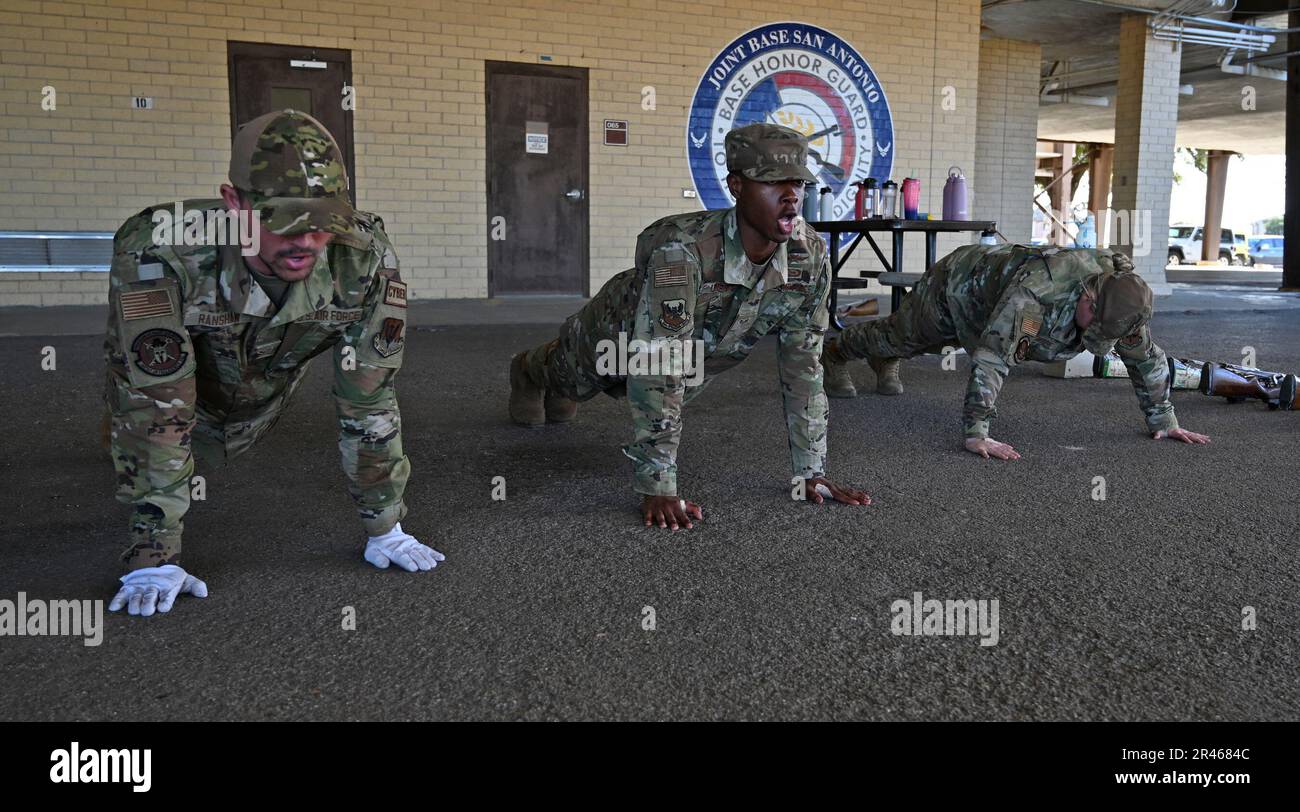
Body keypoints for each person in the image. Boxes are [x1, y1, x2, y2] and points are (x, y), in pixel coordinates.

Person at [103, 110, 442, 617]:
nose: (305, 242)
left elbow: (368, 399)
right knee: (141, 425)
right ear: (234, 203)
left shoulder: (364, 258)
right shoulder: (162, 251)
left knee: (218, 445)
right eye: (283, 222)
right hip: (172, 390)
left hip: (263, 390)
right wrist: (155, 555)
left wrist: (386, 527)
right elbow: (157, 404)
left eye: (324, 223)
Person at [508, 122, 870, 530]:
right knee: (573, 378)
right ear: (736, 186)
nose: (790, 197)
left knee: (674, 385)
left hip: (699, 352)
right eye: (772, 184)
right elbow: (659, 359)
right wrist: (659, 485)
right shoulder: (684, 251)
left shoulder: (811, 255)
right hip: (618, 329)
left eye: (798, 184)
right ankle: (528, 369)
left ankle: (559, 386)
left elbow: (805, 364)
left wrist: (811, 471)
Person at [821, 244, 1211, 459]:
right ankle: (836, 353)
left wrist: (1165, 420)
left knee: (913, 343)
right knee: (904, 336)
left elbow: (1146, 359)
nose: (1099, 337)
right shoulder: (1037, 295)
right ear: (1089, 300)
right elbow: (994, 357)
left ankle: (885, 358)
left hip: (995, 296)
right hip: (958, 286)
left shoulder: (1124, 305)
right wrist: (977, 432)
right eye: (1096, 328)